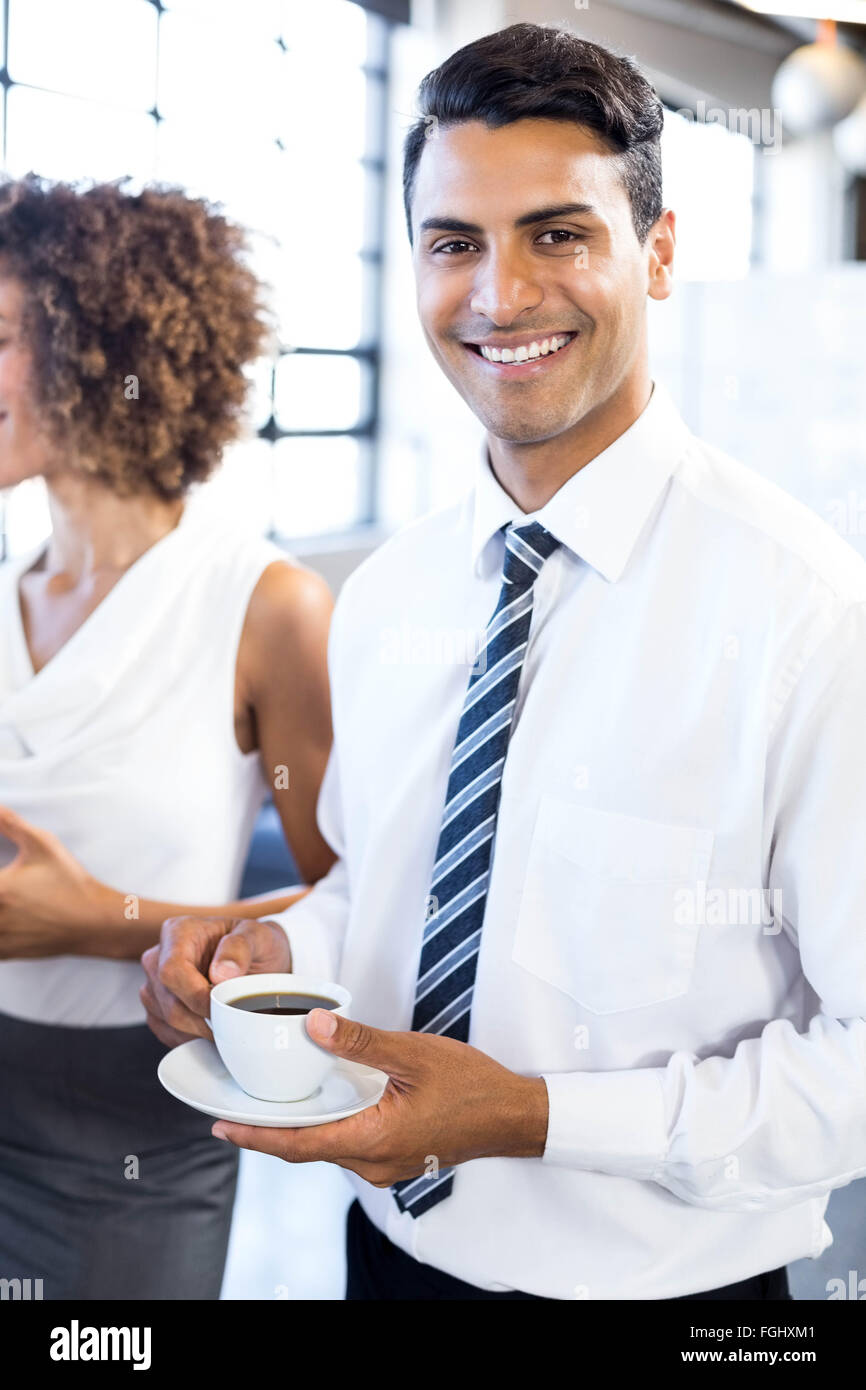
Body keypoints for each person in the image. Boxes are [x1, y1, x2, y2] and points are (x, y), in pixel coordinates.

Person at [142, 23, 866, 1301]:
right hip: (385, 1255)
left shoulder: (807, 617)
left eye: (557, 234)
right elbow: (385, 887)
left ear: (656, 252)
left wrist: (530, 1114)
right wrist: (273, 953)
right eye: (453, 243)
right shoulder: (392, 597)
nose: (497, 296)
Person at [0, 174, 335, 1299]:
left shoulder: (264, 609)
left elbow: (366, 912)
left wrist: (98, 924)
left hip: (132, 1138)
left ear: (102, 349)